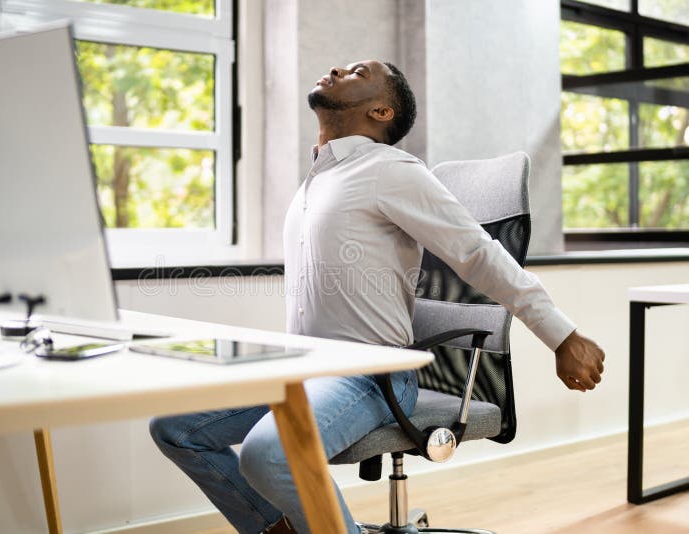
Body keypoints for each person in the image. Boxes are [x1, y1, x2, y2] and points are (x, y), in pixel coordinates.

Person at [149, 60, 606, 534]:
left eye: (357, 72)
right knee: (177, 428)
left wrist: (562, 335)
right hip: (303, 369)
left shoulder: (390, 169)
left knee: (271, 455)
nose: (336, 68)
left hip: (371, 375)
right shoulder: (317, 181)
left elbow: (477, 253)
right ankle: (281, 529)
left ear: (381, 110)